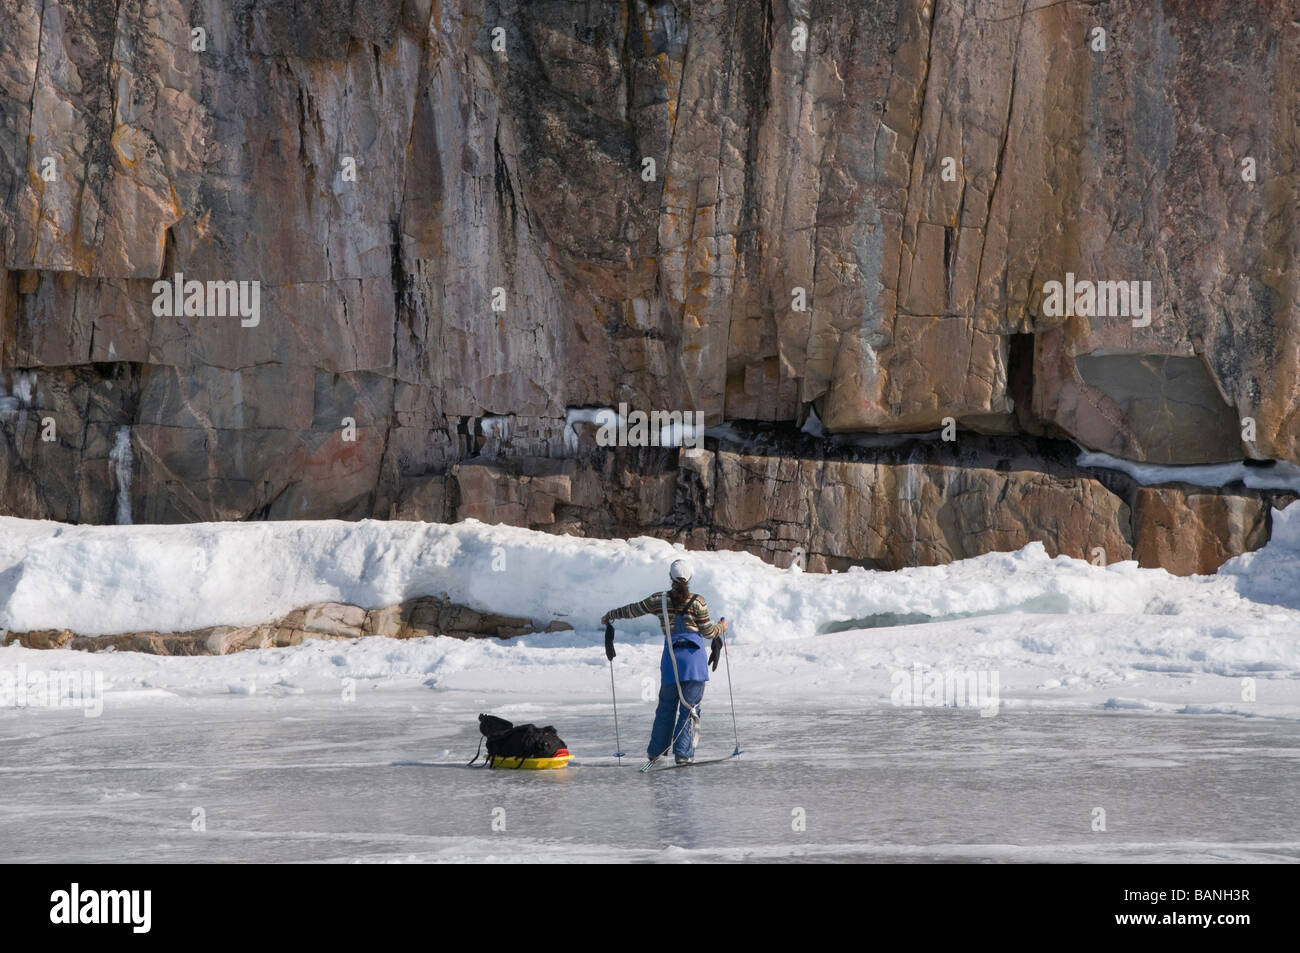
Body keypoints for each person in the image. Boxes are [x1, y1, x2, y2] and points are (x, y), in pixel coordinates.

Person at [601, 558, 727, 765]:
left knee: (666, 707)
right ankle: (683, 754)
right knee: (690, 708)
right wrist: (722, 627)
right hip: (694, 662)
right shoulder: (698, 601)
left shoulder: (658, 600)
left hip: (671, 661)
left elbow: (633, 610)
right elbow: (708, 632)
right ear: (690, 578)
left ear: (670, 577)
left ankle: (656, 752)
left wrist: (610, 616)